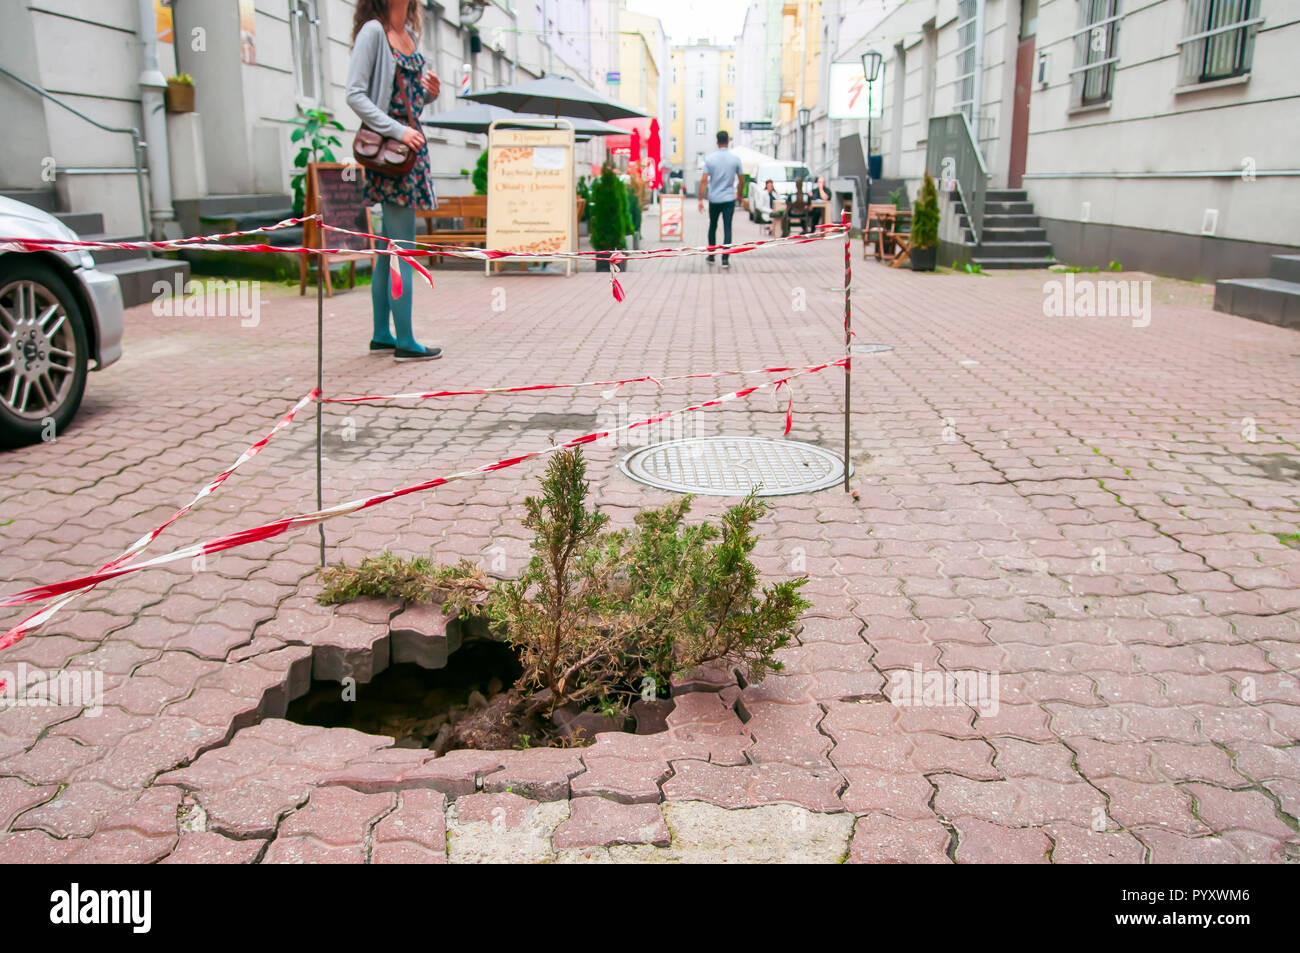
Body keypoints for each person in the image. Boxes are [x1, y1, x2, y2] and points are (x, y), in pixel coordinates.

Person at [346, 0, 442, 361]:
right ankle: (405, 341)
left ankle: (382, 335)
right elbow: (355, 95)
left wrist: (430, 94)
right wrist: (398, 130)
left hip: (409, 152)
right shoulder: (374, 32)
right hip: (391, 153)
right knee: (402, 246)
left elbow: (408, 101)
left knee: (390, 250)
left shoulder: (411, 36)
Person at [696, 130, 743, 268]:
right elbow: (742, 180)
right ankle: (725, 259)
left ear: (717, 142)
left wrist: (700, 199)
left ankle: (711, 255)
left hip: (714, 199)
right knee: (727, 227)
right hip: (729, 199)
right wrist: (739, 195)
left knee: (713, 226)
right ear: (728, 141)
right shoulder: (735, 159)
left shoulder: (710, 159)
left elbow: (704, 180)